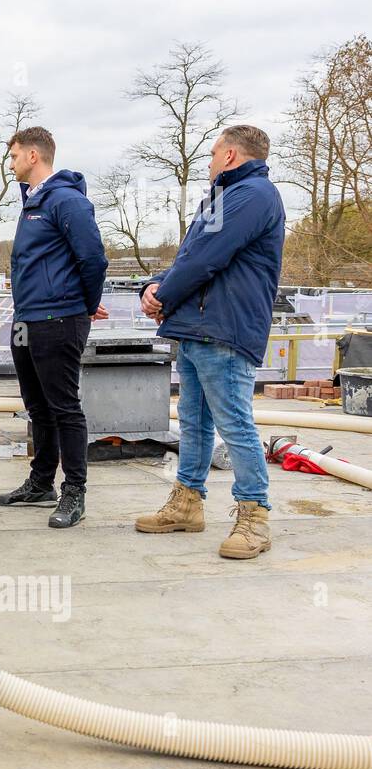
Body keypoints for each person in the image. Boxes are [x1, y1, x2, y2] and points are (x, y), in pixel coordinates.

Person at [134, 124, 285, 559]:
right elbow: (188, 256)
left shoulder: (254, 195)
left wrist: (163, 296)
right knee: (195, 422)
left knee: (234, 424)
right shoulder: (222, 199)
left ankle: (254, 517)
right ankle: (187, 504)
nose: (209, 160)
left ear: (232, 155)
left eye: (214, 152)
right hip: (198, 326)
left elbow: (208, 258)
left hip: (225, 328)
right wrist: (154, 283)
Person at [0, 126, 109, 529]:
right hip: (27, 319)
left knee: (64, 407)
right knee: (37, 406)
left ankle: (74, 490)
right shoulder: (32, 202)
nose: (10, 164)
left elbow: (93, 259)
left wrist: (87, 305)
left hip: (59, 319)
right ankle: (41, 481)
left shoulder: (66, 200)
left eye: (13, 156)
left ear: (32, 156)